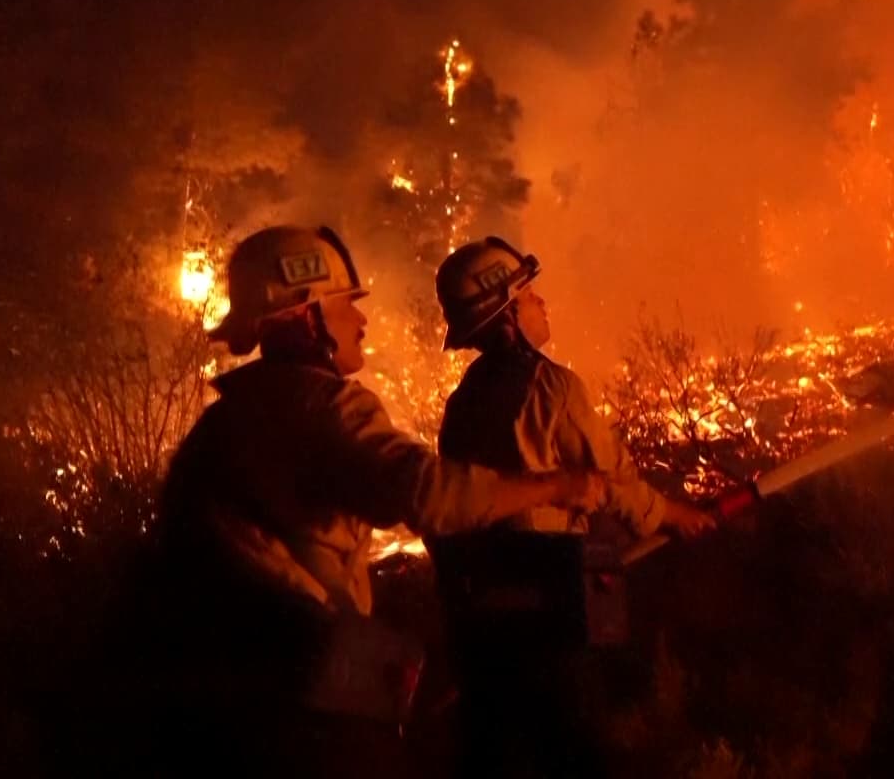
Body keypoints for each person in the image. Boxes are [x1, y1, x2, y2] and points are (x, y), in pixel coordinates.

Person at [153, 225, 607, 775]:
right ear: (309, 316)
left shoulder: (224, 419)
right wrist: (557, 485)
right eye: (346, 304)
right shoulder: (326, 408)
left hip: (207, 701)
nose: (361, 321)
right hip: (299, 700)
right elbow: (429, 494)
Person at [433, 236, 714, 778]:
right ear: (507, 316)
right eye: (528, 295)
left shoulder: (462, 403)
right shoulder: (552, 387)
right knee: (575, 750)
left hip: (484, 624)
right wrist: (675, 516)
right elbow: (611, 480)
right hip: (551, 607)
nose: (541, 302)